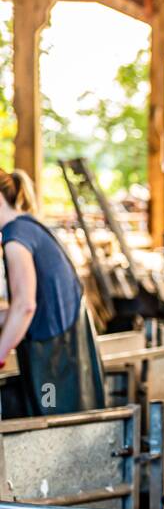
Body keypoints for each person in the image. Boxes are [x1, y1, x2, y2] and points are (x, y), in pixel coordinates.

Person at [0, 168, 105, 416]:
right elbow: (35, 306)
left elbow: (25, 306)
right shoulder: (31, 227)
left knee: (52, 428)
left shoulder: (16, 238)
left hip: (55, 363)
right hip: (64, 356)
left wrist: (0, 353)